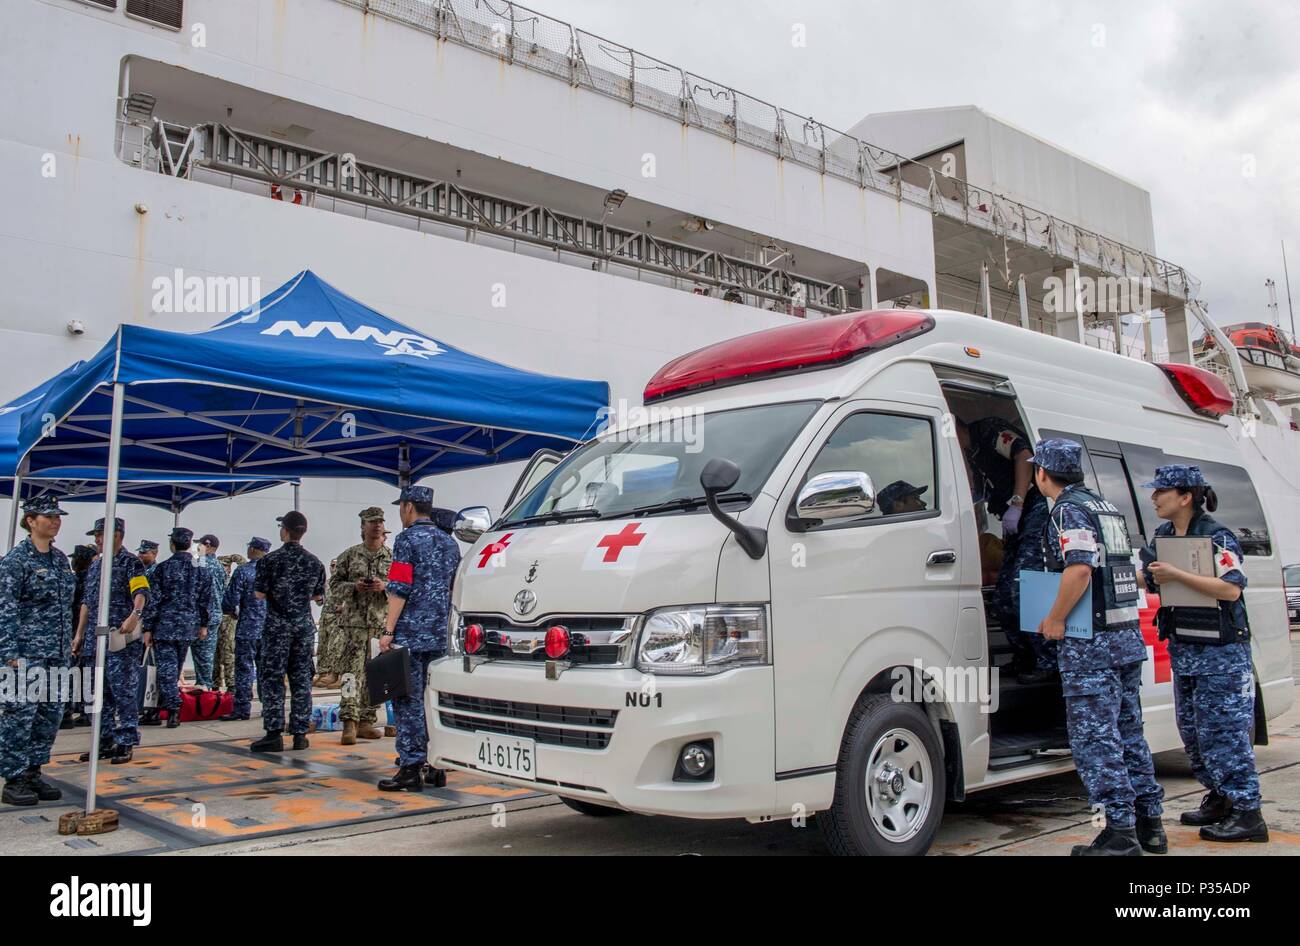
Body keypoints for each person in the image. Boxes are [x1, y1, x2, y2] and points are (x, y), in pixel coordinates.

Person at [1031, 438, 1164, 855]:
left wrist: (1054, 618)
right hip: (1124, 640)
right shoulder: (1105, 507)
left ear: (1041, 473)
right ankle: (1149, 826)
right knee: (1129, 735)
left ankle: (1117, 834)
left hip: (1092, 645)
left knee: (1096, 742)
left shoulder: (1068, 510)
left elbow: (1080, 570)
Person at [1139, 464, 1268, 843]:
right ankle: (1221, 798)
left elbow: (1230, 589)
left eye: (1161, 492)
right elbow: (1148, 573)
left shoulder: (1217, 537)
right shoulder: (1164, 535)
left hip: (1221, 653)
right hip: (1186, 648)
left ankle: (1248, 814)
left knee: (1224, 735)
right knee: (1193, 735)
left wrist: (1177, 575)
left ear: (1186, 496)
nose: (1154, 498)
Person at [957, 416, 1055, 683]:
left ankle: (1047, 660)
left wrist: (1018, 502)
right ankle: (1024, 657)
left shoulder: (986, 432)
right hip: (1012, 520)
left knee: (1022, 588)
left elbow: (1024, 455)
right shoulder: (970, 453)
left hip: (1033, 511)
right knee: (1002, 596)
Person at [378, 486, 460, 792]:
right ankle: (436, 766)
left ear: (408, 507)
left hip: (410, 635)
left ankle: (410, 767)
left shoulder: (406, 540)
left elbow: (399, 588)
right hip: (440, 635)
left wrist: (388, 631)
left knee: (407, 700)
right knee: (433, 700)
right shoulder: (449, 543)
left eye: (401, 506)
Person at [0, 496, 75, 806]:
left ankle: (33, 770)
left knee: (50, 713)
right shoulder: (16, 561)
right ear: (30, 520)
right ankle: (13, 776)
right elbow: (6, 608)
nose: (55, 521)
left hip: (56, 651)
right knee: (20, 714)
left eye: (58, 516)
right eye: (48, 516)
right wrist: (9, 652)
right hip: (26, 653)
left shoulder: (60, 559)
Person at [73, 517, 149, 764]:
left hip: (119, 638)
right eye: (95, 534)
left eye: (101, 534)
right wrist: (79, 634)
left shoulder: (131, 562)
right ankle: (103, 740)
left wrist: (134, 616)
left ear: (117, 535)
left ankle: (126, 741)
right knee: (96, 694)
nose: (97, 539)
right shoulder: (96, 566)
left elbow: (141, 593)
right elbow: (87, 601)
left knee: (123, 691)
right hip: (95, 640)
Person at [251, 511, 325, 752]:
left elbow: (259, 594)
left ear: (284, 530)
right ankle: (300, 733)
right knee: (302, 679)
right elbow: (317, 597)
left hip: (277, 628)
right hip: (303, 628)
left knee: (273, 679)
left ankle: (273, 733)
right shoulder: (315, 562)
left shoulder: (269, 561)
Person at [331, 507, 394, 745]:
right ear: (363, 527)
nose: (377, 525)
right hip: (354, 626)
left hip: (379, 626)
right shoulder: (349, 555)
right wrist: (353, 588)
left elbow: (402, 587)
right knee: (350, 675)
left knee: (375, 675)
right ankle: (349, 720)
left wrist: (384, 586)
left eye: (380, 521)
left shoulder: (391, 556)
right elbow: (334, 586)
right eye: (372, 522)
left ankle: (367, 720)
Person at [142, 527, 212, 729]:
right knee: (175, 667)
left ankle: (172, 709)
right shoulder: (201, 569)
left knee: (166, 669)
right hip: (188, 626)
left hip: (165, 625)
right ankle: (166, 708)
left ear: (172, 544)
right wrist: (203, 625)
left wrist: (147, 627)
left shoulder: (162, 569)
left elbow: (152, 601)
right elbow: (205, 601)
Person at [219, 537, 270, 722]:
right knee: (267, 669)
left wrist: (231, 612)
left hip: (248, 627)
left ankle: (242, 708)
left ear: (253, 549)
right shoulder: (274, 571)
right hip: (269, 630)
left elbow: (230, 600)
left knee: (244, 669)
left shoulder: (244, 571)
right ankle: (269, 707)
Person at [62, 544, 98, 729]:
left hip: (74, 631)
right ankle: (85, 711)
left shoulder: (75, 581)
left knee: (70, 673)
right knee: (87, 674)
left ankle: (66, 712)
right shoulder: (95, 580)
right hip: (90, 633)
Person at [191, 534, 225, 689]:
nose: (198, 548)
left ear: (209, 546)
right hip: (215, 616)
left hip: (202, 617)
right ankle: (206, 688)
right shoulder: (219, 567)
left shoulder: (200, 564)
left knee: (202, 659)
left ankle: (204, 692)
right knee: (207, 657)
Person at [212, 552, 246, 692]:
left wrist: (233, 557)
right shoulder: (215, 581)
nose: (225, 569)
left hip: (229, 619)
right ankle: (215, 683)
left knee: (229, 651)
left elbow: (244, 565)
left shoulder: (234, 581)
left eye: (226, 566)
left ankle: (231, 683)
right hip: (216, 619)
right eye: (223, 566)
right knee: (215, 654)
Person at [313, 559, 344, 689]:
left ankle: (337, 675)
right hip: (325, 618)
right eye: (331, 565)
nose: (333, 568)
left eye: (335, 565)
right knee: (323, 646)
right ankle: (322, 672)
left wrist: (343, 606)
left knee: (335, 647)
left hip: (338, 620)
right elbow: (320, 602)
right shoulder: (326, 584)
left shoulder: (343, 583)